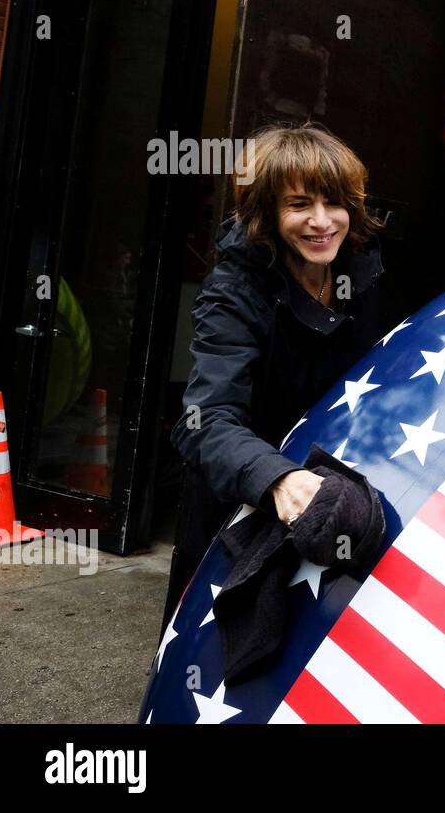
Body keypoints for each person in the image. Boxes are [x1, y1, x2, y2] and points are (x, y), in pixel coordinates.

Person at [162, 122, 385, 628]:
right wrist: (277, 478)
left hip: (334, 493)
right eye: (299, 204)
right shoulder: (234, 292)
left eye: (334, 203)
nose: (322, 221)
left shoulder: (362, 266)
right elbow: (204, 422)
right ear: (265, 212)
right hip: (243, 501)